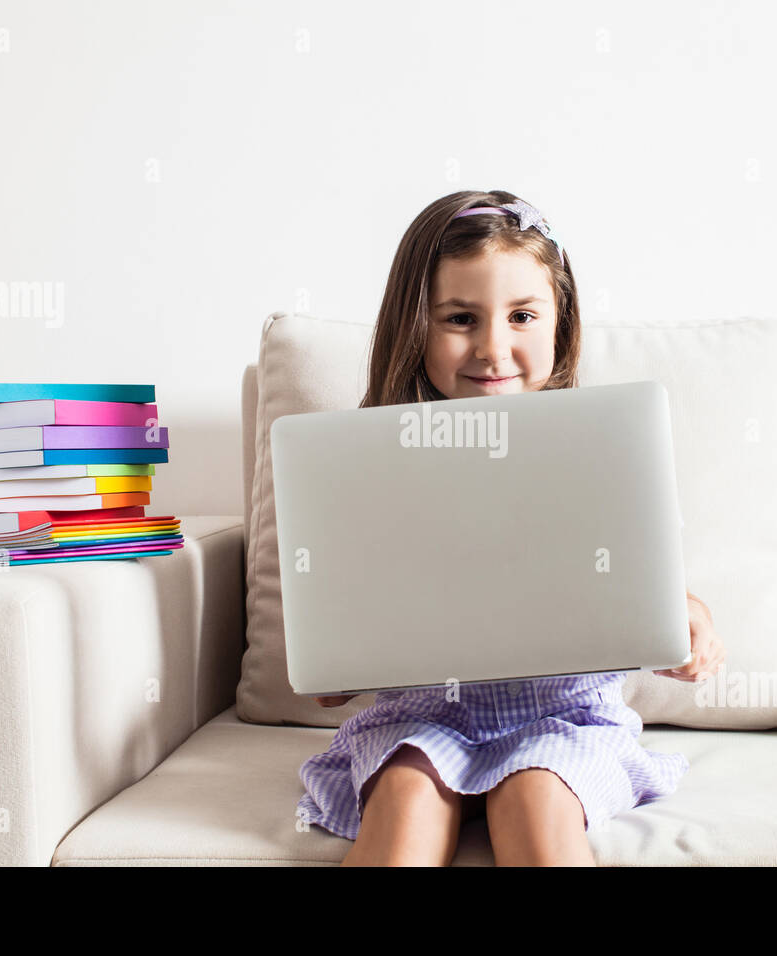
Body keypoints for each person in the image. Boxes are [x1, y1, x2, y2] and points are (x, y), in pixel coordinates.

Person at [295, 189, 726, 866]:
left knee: (537, 796)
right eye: (461, 318)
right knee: (406, 797)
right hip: (421, 721)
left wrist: (687, 617)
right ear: (416, 326)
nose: (494, 349)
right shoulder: (370, 462)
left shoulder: (604, 447)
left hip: (564, 720)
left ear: (561, 323)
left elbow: (645, 583)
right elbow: (346, 628)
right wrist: (334, 659)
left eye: (522, 315)